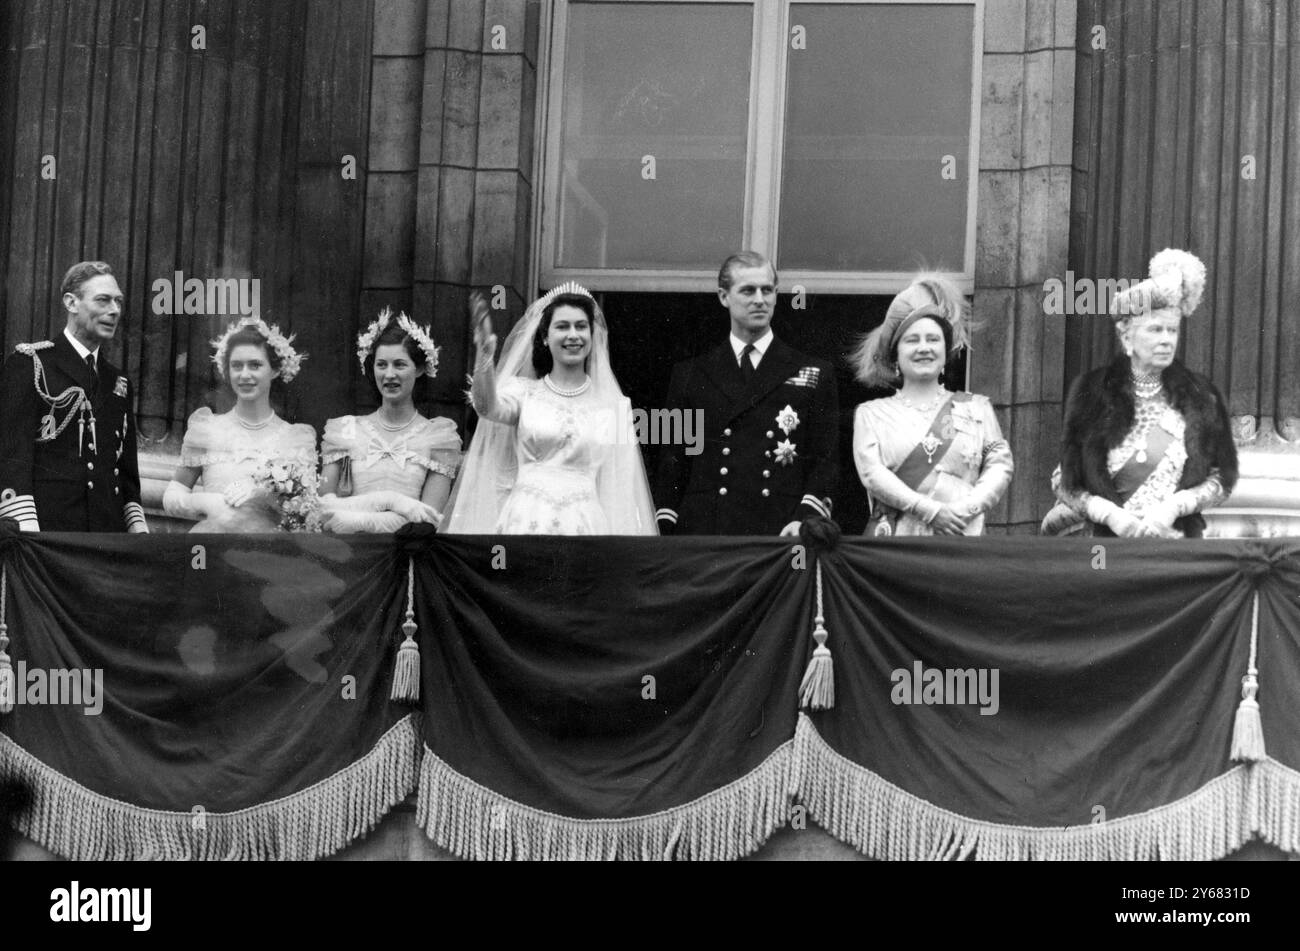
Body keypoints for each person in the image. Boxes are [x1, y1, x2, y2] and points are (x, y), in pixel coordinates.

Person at [1043, 249, 1237, 538]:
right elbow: (1064, 481)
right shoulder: (1093, 393)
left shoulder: (1201, 397)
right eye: (1155, 330)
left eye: (1172, 331)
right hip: (1107, 546)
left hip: (1176, 543)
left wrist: (1175, 506)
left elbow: (1222, 478)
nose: (1166, 340)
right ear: (1126, 337)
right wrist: (1109, 514)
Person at [441, 283, 657, 535]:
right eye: (562, 326)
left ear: (592, 335)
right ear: (545, 336)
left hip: (584, 525)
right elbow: (487, 407)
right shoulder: (524, 393)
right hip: (526, 520)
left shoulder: (614, 407)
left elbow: (621, 488)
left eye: (581, 326)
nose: (573, 335)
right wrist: (485, 356)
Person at [653, 251, 838, 535]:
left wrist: (805, 519)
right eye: (748, 290)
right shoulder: (689, 374)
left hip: (780, 530)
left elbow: (825, 459)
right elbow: (671, 461)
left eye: (767, 290)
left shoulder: (813, 371)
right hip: (706, 532)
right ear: (723, 296)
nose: (759, 300)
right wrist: (667, 525)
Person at [850, 275, 1013, 536]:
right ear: (896, 354)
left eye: (933, 339)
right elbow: (872, 474)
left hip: (962, 535)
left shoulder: (976, 408)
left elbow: (1000, 466)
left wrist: (965, 510)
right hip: (898, 543)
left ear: (946, 351)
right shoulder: (872, 414)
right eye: (912, 340)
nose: (923, 348)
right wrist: (931, 511)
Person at [0, 261, 147, 532]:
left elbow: (127, 475)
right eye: (103, 300)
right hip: (50, 537)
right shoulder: (31, 365)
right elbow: (13, 460)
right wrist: (27, 534)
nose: (114, 310)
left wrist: (137, 531)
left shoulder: (119, 381)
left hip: (108, 538)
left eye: (118, 301)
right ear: (71, 302)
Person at [162, 317, 318, 533]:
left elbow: (307, 514)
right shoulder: (206, 430)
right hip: (212, 551)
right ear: (228, 371)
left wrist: (264, 492)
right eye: (237, 366)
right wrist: (207, 503)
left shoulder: (296, 438)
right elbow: (173, 494)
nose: (245, 375)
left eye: (255, 365)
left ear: (274, 370)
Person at [317, 309, 458, 532]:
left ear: (420, 369)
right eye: (382, 365)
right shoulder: (346, 430)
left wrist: (359, 521)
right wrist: (389, 500)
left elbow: (429, 521)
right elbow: (322, 508)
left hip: (406, 557)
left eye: (400, 364)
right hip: (349, 555)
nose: (389, 374)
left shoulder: (438, 436)